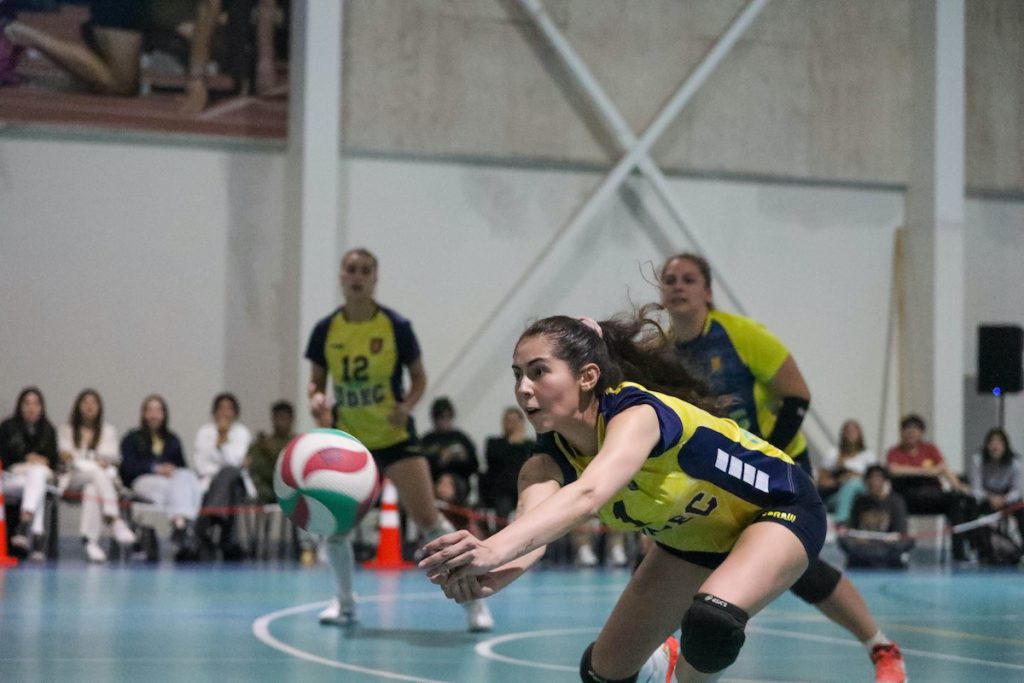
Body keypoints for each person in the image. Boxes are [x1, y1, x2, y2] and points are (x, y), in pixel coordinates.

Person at [419, 312, 828, 682]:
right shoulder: (543, 465)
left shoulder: (637, 414)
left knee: (711, 622)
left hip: (778, 508)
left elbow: (590, 493)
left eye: (539, 372)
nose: (523, 389)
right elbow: (532, 536)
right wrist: (493, 573)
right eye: (517, 375)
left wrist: (489, 550)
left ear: (587, 376)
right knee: (602, 673)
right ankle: (663, 666)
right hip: (693, 542)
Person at [658, 253, 906, 682]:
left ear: (708, 291)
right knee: (684, 552)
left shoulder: (742, 336)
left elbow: (798, 395)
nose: (678, 286)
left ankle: (883, 649)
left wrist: (761, 458)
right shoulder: (662, 351)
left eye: (689, 279)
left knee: (800, 571)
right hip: (716, 474)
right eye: (670, 280)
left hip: (778, 463)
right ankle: (681, 645)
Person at [305, 247, 492, 632]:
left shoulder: (395, 326)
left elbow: (419, 378)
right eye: (351, 269)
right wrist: (317, 401)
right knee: (337, 527)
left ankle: (474, 603)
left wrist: (406, 405)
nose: (357, 276)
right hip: (350, 444)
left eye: (365, 270)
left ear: (375, 278)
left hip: (394, 438)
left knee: (428, 519)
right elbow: (316, 383)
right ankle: (344, 604)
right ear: (341, 276)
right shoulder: (326, 330)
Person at [119, 394, 202, 561]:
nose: (154, 415)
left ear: (164, 414)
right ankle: (184, 526)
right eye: (150, 410)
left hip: (170, 483)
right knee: (182, 490)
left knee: (187, 476)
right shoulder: (131, 439)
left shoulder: (172, 440)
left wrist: (172, 469)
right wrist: (155, 468)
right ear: (143, 414)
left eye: (158, 410)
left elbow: (182, 467)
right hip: (143, 481)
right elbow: (128, 467)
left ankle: (179, 523)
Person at [57, 388, 136, 563]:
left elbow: (112, 457)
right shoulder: (66, 430)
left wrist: (84, 458)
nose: (89, 406)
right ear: (78, 406)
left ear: (100, 407)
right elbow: (66, 457)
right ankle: (115, 520)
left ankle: (90, 542)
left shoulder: (108, 431)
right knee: (96, 472)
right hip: (72, 480)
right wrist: (92, 460)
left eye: (94, 403)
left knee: (92, 487)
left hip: (96, 483)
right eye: (85, 402)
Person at [885, 414, 975, 561]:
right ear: (901, 432)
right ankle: (899, 550)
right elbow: (894, 470)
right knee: (896, 504)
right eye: (907, 429)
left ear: (921, 433)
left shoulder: (930, 449)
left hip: (932, 497)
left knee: (956, 502)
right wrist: (926, 471)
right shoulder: (894, 452)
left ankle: (959, 552)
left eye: (915, 429)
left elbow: (943, 468)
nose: (911, 433)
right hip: (907, 498)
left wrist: (958, 485)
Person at [193, 391, 253, 560]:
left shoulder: (242, 433)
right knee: (226, 483)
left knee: (230, 475)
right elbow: (200, 463)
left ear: (235, 412)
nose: (225, 412)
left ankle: (208, 521)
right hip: (209, 483)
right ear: (214, 411)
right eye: (221, 408)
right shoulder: (204, 432)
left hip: (237, 482)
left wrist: (223, 440)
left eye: (229, 408)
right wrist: (217, 442)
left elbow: (236, 462)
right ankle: (228, 542)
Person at [0, 386, 59, 560]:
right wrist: (28, 458)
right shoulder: (7, 427)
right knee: (37, 479)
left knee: (38, 476)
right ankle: (37, 535)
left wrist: (42, 461)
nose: (31, 408)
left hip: (38, 477)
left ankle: (25, 525)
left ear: (42, 407)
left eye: (35, 404)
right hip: (12, 478)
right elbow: (5, 457)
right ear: (20, 406)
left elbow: (54, 460)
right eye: (27, 403)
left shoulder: (49, 430)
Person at [966, 428, 1024, 564]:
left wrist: (1004, 498)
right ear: (986, 445)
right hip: (986, 496)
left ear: (1005, 445)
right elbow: (976, 488)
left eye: (999, 442)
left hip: (1008, 497)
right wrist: (990, 498)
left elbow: (1018, 490)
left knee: (1022, 511)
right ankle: (975, 549)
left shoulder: (1016, 462)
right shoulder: (978, 459)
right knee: (970, 507)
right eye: (992, 442)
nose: (995, 446)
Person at [838, 466, 914, 569]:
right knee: (843, 540)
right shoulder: (860, 501)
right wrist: (855, 535)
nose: (874, 483)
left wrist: (890, 538)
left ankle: (871, 559)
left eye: (878, 479)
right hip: (864, 543)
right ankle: (878, 559)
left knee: (908, 541)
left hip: (886, 543)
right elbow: (852, 527)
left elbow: (900, 530)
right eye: (871, 479)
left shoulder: (896, 501)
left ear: (885, 481)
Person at [479, 406, 534, 534]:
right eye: (508, 420)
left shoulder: (529, 445)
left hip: (523, 488)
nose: (511, 424)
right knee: (502, 508)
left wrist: (519, 443)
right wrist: (512, 443)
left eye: (515, 421)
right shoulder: (494, 442)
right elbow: (493, 459)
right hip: (501, 491)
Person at [818, 419, 878, 526]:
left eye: (854, 431)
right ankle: (842, 520)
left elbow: (875, 480)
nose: (851, 435)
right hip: (838, 495)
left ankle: (841, 521)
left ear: (860, 434)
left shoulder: (868, 455)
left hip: (863, 494)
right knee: (847, 490)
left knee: (853, 483)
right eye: (848, 432)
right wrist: (839, 480)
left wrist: (854, 476)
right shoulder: (833, 453)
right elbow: (821, 481)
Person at [421, 397, 480, 502]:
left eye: (447, 417)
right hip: (434, 480)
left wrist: (464, 458)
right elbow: (422, 466)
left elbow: (474, 465)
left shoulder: (461, 438)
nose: (443, 421)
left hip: (459, 481)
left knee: (452, 483)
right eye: (440, 418)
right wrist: (440, 460)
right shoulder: (427, 441)